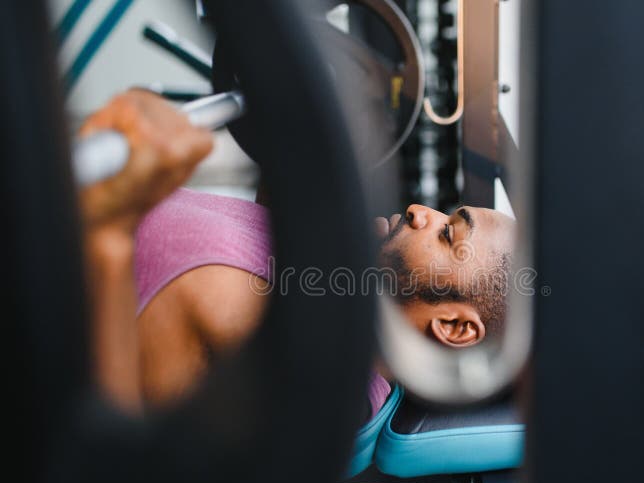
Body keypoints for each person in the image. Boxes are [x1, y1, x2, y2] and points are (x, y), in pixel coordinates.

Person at [80, 90, 515, 413]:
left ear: (454, 327)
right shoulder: (323, 303)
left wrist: (110, 225)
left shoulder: (314, 372)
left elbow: (115, 447)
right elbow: (266, 235)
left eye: (447, 235)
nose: (420, 212)